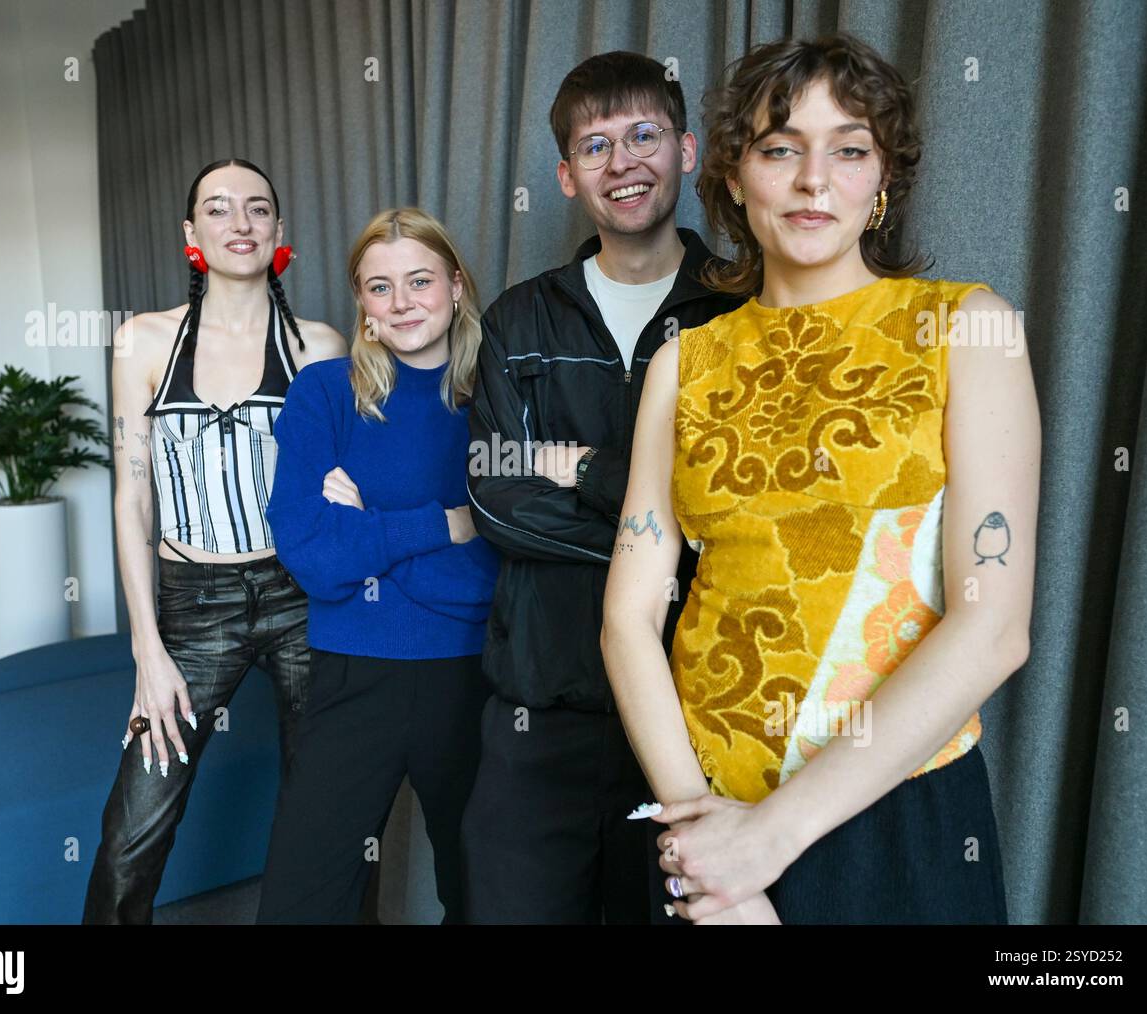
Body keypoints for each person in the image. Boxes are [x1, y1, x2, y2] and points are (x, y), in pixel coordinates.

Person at [601, 32, 1040, 924]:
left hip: (896, 811)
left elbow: (992, 625)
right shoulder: (683, 363)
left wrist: (766, 843)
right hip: (705, 810)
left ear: (883, 181)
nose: (813, 179)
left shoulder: (969, 325)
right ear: (731, 177)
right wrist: (707, 851)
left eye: (849, 149)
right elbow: (628, 614)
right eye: (778, 148)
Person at [460, 51, 747, 924]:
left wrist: (577, 466)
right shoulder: (520, 318)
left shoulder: (744, 309)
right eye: (595, 145)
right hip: (541, 711)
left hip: (694, 719)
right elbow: (496, 502)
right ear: (566, 175)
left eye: (643, 135)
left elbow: (738, 509)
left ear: (689, 151)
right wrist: (668, 535)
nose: (622, 162)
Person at [83, 158, 347, 924]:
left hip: (303, 596)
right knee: (133, 830)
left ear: (279, 231)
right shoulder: (142, 342)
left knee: (328, 813)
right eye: (220, 209)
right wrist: (147, 648)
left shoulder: (321, 346)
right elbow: (133, 495)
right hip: (193, 603)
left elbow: (344, 484)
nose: (241, 223)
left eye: (258, 208)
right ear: (191, 233)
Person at [255, 208, 498, 924]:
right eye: (380, 287)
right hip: (350, 673)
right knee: (300, 901)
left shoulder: (496, 394)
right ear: (361, 302)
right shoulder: (324, 393)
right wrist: (444, 524)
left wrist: (369, 531)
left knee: (484, 894)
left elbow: (504, 563)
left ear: (456, 286)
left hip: (473, 675)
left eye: (420, 281)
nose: (402, 303)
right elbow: (310, 556)